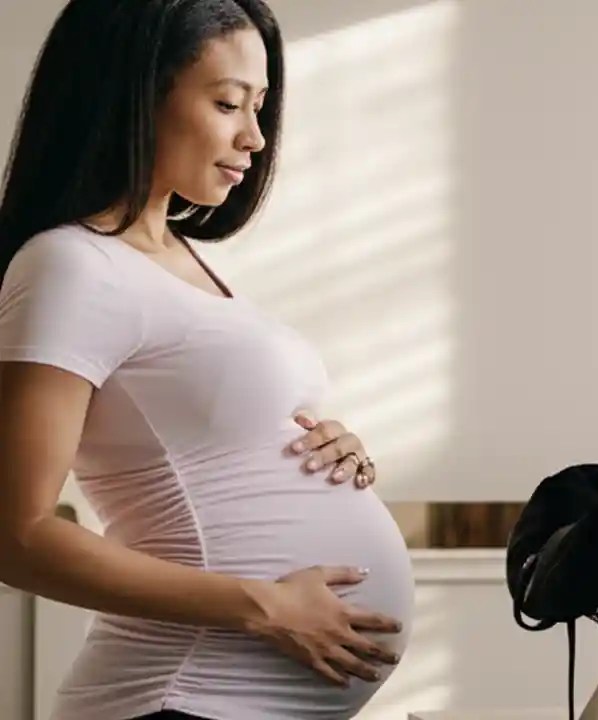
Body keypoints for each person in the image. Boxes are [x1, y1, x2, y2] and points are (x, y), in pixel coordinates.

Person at [0, 1, 415, 718]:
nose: (254, 136)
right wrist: (264, 606)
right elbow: (16, 535)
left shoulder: (179, 264)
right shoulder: (69, 264)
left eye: (259, 106)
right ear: (134, 94)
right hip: (176, 695)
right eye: (228, 103)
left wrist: (330, 455)